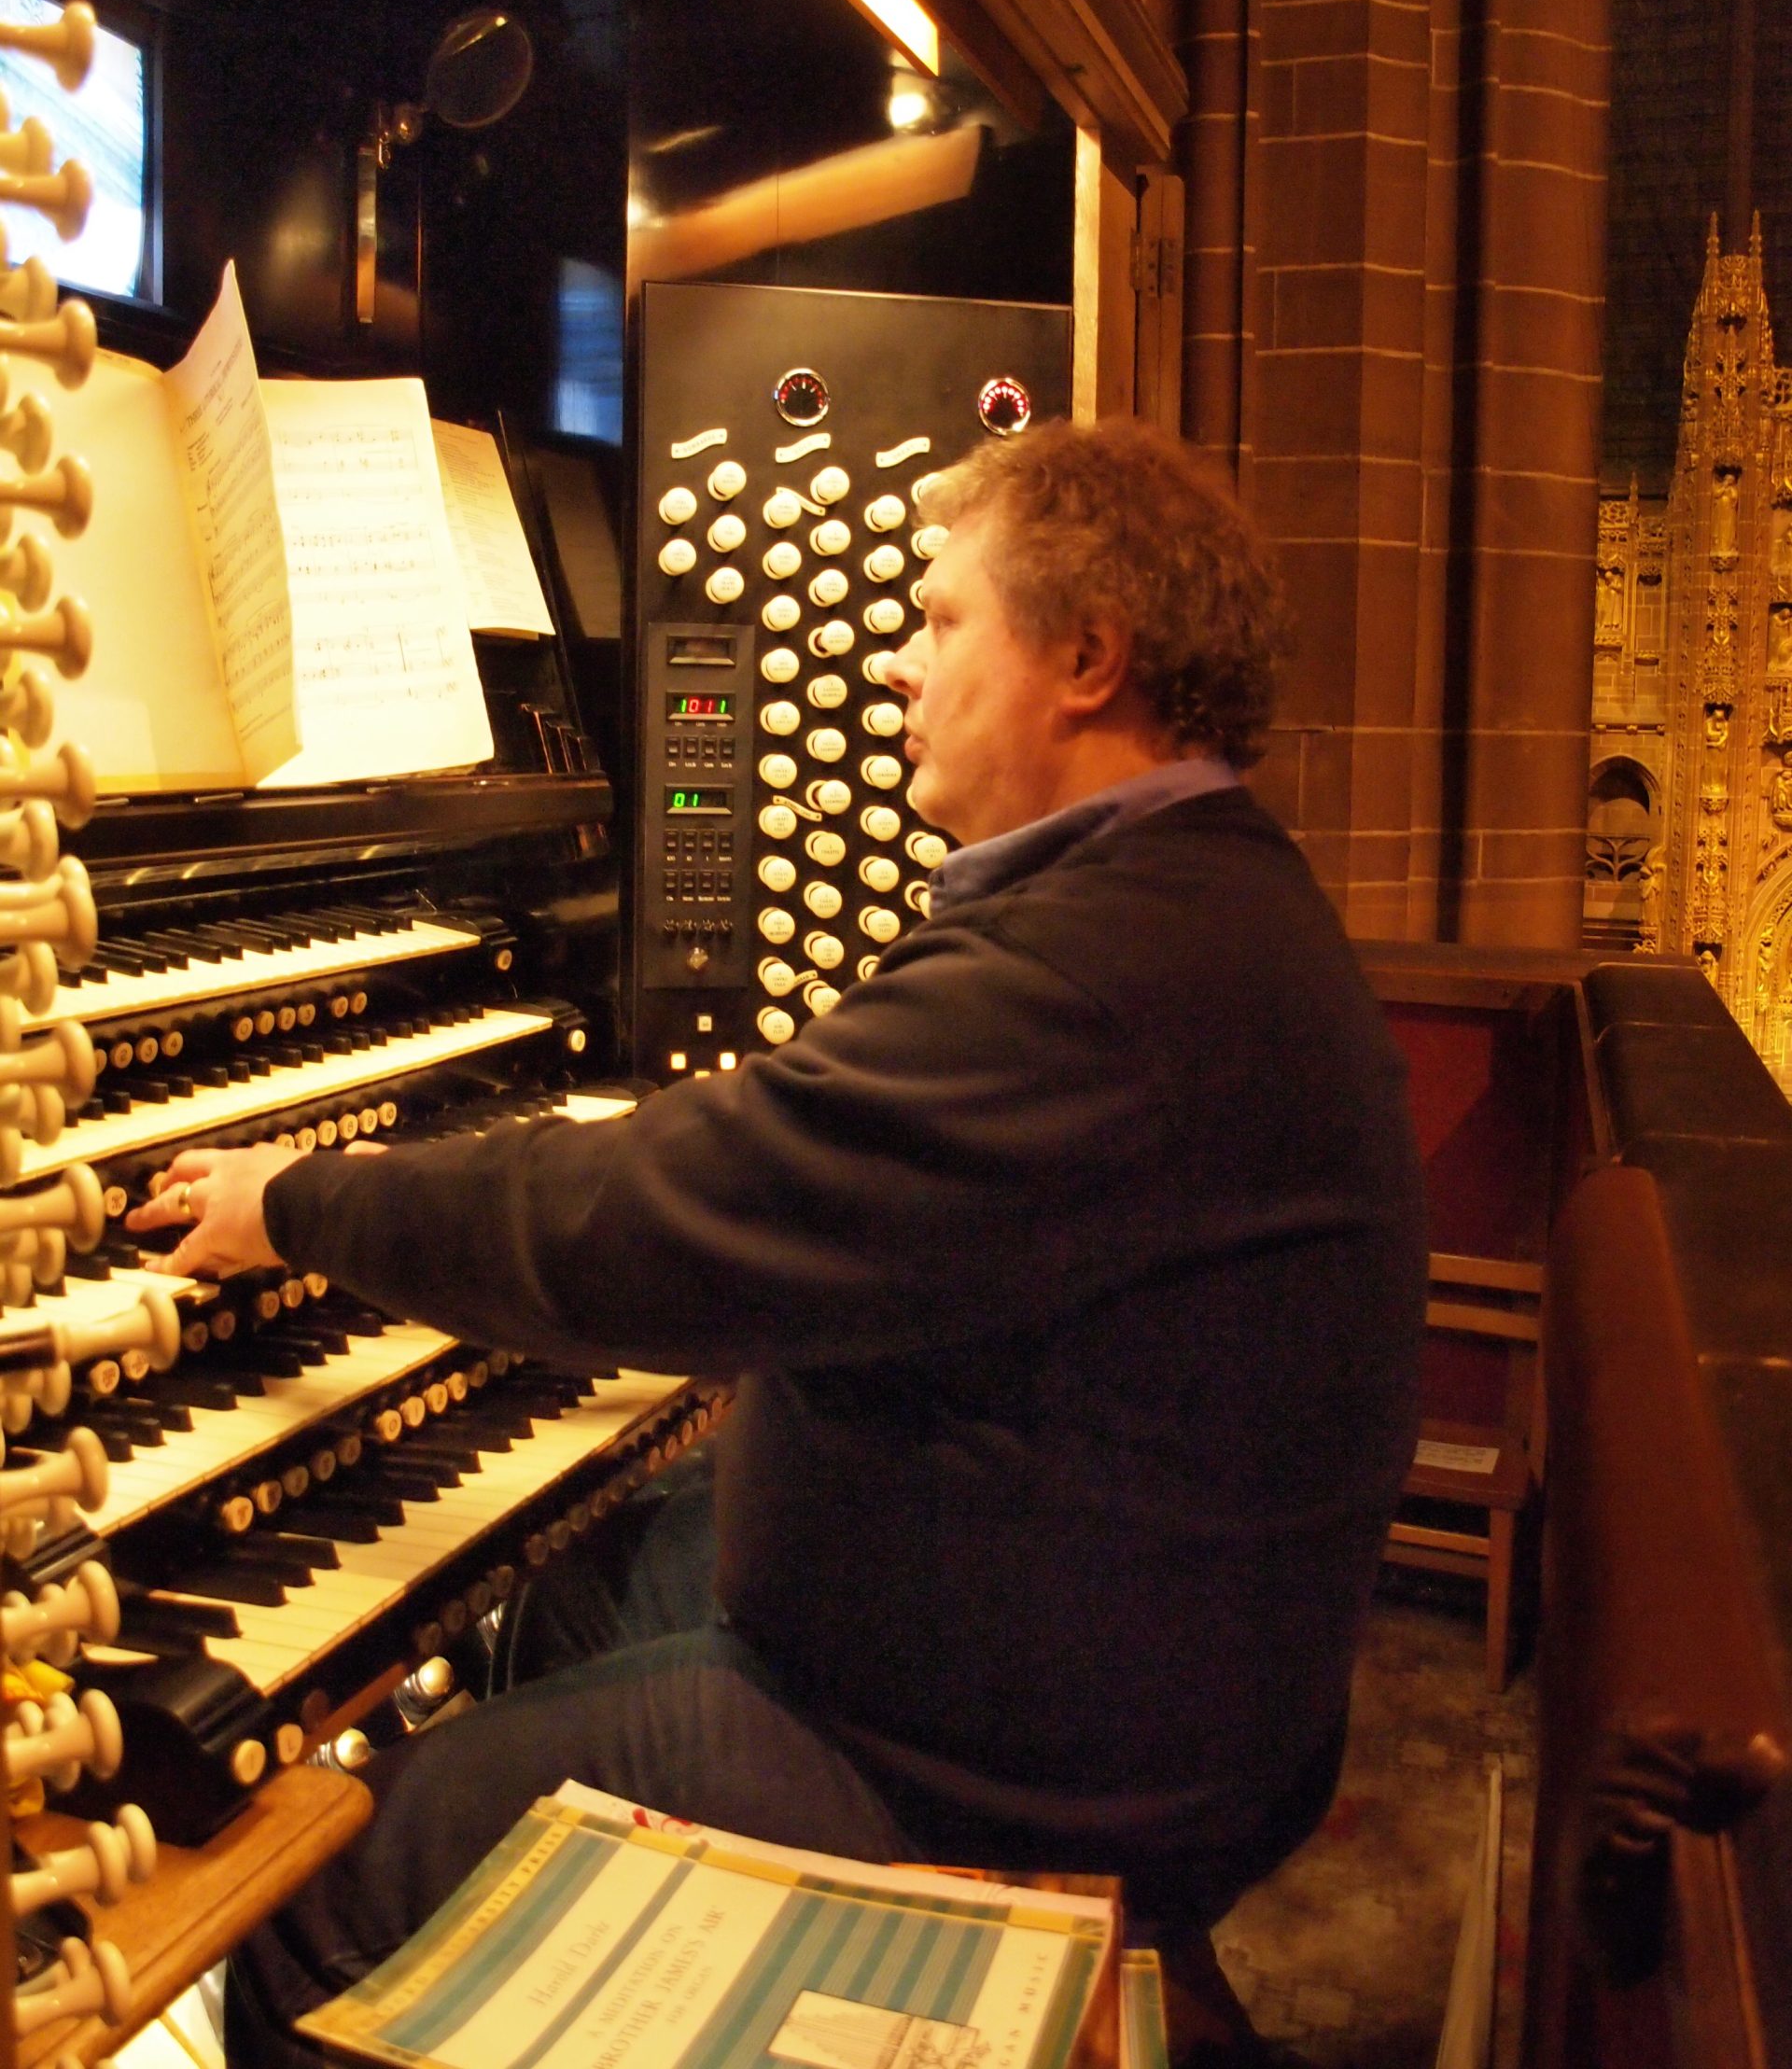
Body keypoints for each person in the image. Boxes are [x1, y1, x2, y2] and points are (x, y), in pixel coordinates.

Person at [131, 418, 1428, 2065]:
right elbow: (793, 1171)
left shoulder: (1108, 970)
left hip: (1022, 1758)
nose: (894, 668)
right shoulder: (1175, 899)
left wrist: (301, 1200)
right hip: (1090, 1652)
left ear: (1086, 658)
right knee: (574, 1580)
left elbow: (669, 1217)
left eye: (941, 622)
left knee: (320, 1901)